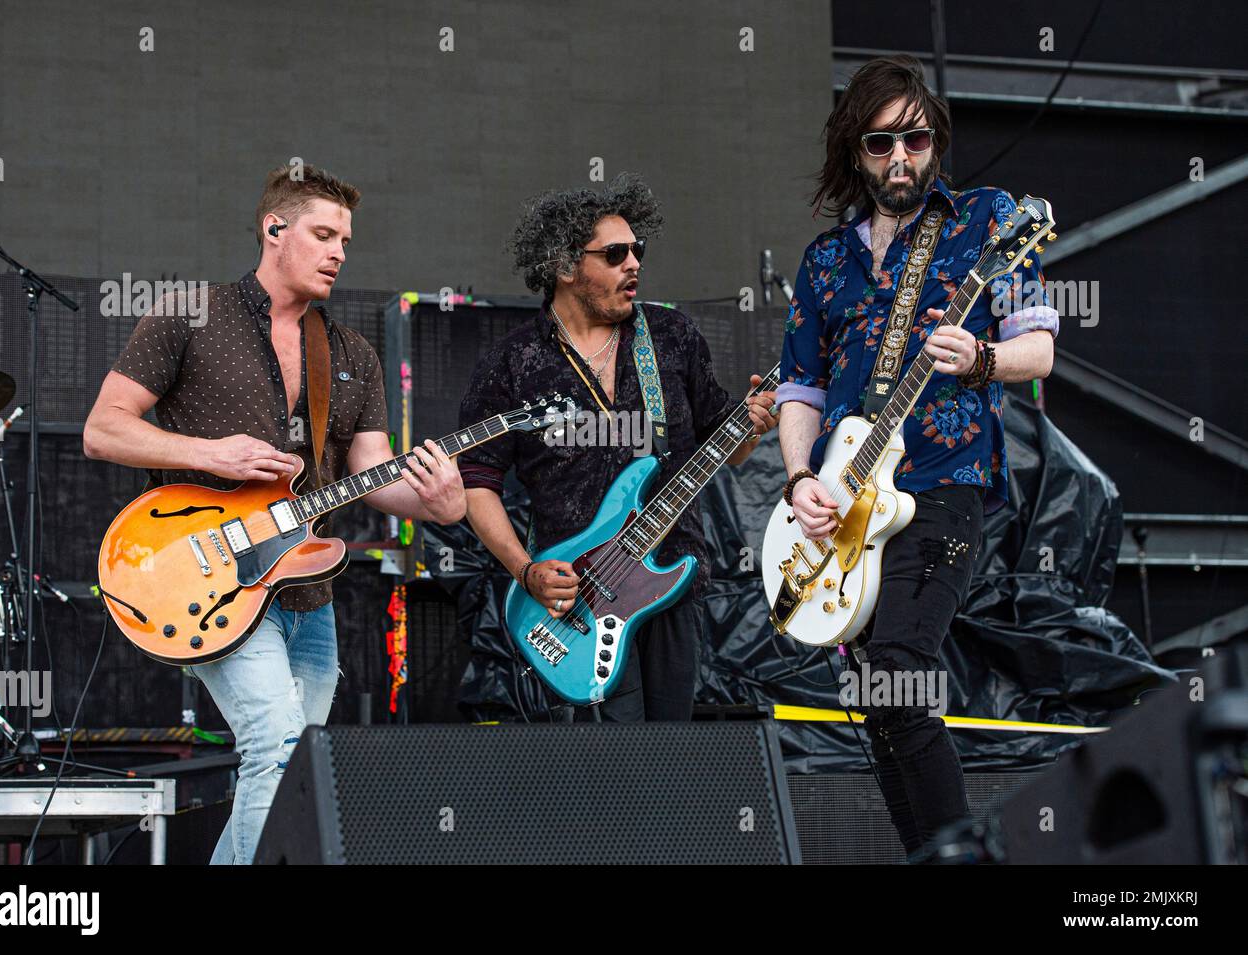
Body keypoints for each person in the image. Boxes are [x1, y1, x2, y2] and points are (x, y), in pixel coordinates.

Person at [84, 163, 465, 863]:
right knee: (277, 744)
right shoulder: (188, 313)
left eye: (345, 239)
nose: (338, 252)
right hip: (209, 577)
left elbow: (374, 474)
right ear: (274, 229)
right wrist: (214, 454)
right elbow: (102, 428)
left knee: (289, 772)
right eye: (323, 234)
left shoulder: (350, 352)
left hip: (307, 588)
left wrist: (439, 503)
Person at [776, 55, 1058, 860]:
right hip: (843, 499)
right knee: (876, 701)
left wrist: (979, 360)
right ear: (853, 152)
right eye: (879, 143)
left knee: (899, 667)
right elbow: (801, 386)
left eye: (916, 138)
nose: (900, 158)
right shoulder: (826, 261)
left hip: (941, 487)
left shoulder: (985, 219)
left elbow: (1038, 347)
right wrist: (800, 482)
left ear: (935, 139)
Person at [458, 174, 777, 721]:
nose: (634, 264)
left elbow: (729, 448)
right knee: (607, 763)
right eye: (615, 254)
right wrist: (524, 569)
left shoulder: (672, 336)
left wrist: (750, 425)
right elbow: (476, 480)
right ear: (564, 267)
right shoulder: (514, 361)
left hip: (669, 576)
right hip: (572, 596)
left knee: (665, 760)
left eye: (638, 250)